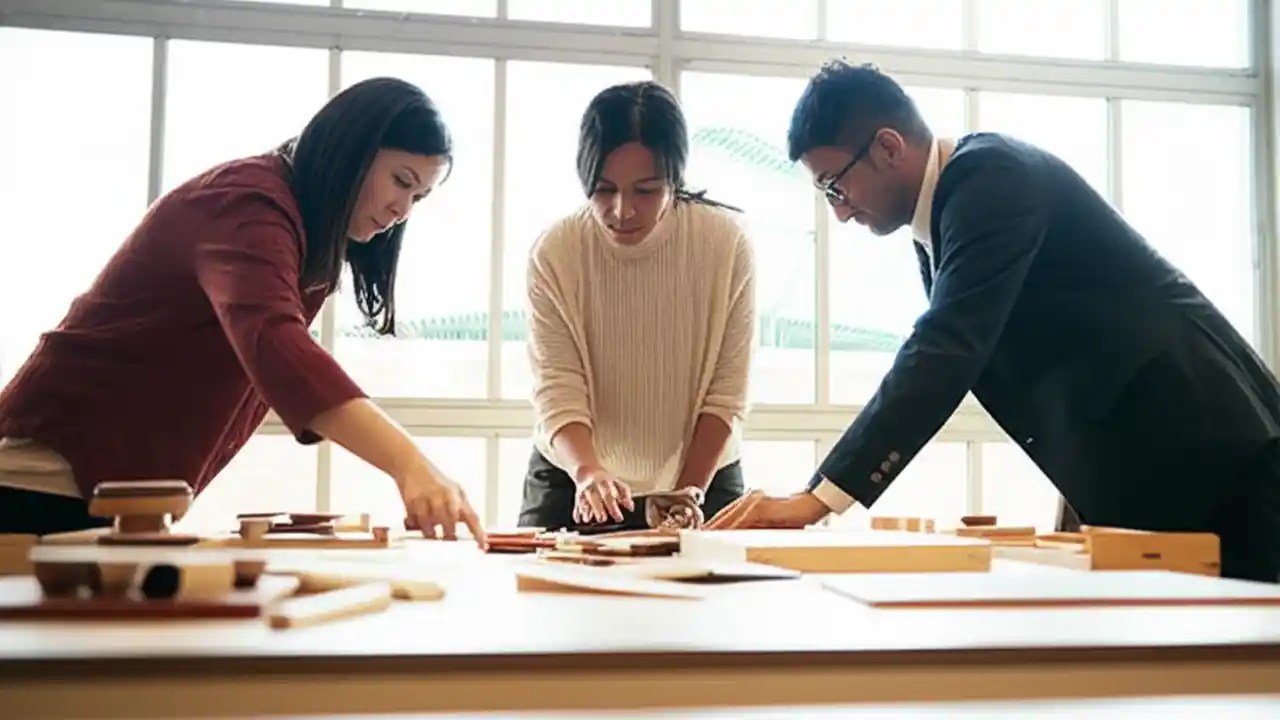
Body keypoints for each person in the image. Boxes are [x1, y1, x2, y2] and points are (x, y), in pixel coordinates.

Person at [707, 59, 1280, 583]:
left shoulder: (991, 179)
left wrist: (819, 498)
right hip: (1154, 466)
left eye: (835, 184)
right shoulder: (945, 220)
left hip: (1216, 455)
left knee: (1254, 649)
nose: (839, 210)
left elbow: (948, 346)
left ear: (887, 147)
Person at [0, 77, 486, 545]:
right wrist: (410, 464)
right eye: (401, 181)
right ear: (351, 151)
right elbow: (276, 344)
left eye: (418, 197)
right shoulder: (245, 204)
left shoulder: (302, 233)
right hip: (42, 476)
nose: (403, 210)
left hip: (111, 492)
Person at [518, 80, 756, 532]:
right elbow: (557, 387)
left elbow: (727, 391)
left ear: (675, 179)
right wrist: (588, 472)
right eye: (603, 189)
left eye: (646, 190)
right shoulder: (556, 251)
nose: (622, 210)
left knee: (712, 580)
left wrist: (687, 492)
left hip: (702, 476)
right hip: (575, 475)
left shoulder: (725, 243)